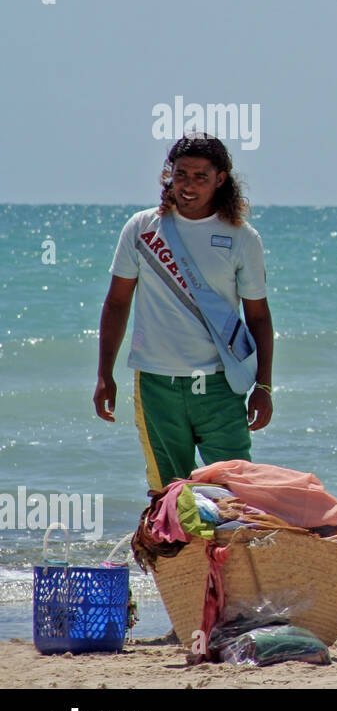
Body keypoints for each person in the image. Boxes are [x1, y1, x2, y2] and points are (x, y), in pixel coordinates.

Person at [93, 133, 274, 493]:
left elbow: (258, 317)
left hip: (221, 384)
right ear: (168, 174)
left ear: (220, 179)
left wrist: (264, 386)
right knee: (169, 492)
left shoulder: (241, 237)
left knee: (239, 488)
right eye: (181, 175)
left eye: (200, 177)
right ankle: (180, 551)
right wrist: (104, 375)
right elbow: (116, 303)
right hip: (157, 383)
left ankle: (233, 551)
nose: (188, 185)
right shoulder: (142, 229)